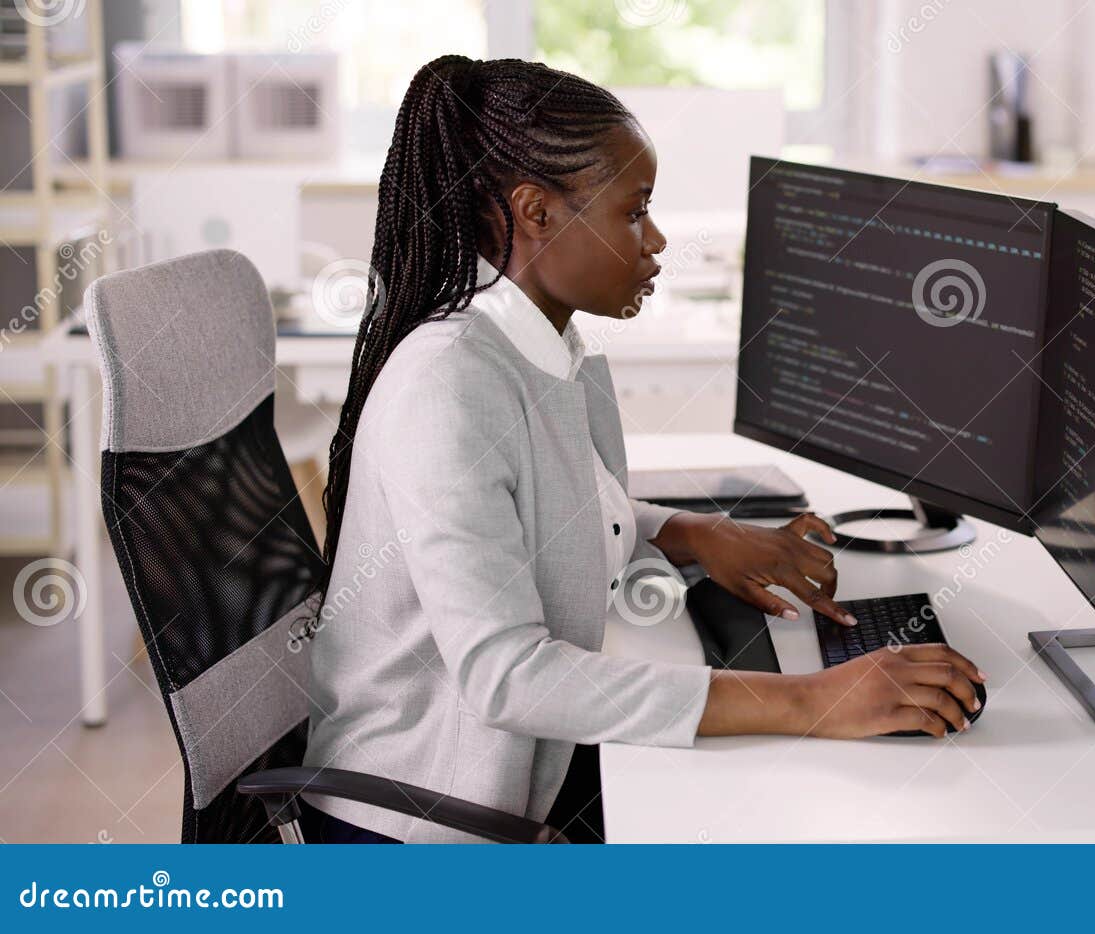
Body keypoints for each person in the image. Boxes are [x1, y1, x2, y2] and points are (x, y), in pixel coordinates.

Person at [299, 56, 985, 844]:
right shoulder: (448, 385)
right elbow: (506, 677)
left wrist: (693, 533)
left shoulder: (548, 346)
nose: (657, 240)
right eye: (635, 213)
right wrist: (811, 701)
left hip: (522, 769)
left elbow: (545, 505)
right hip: (426, 815)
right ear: (536, 212)